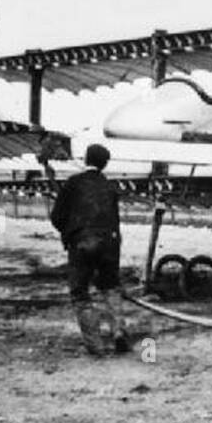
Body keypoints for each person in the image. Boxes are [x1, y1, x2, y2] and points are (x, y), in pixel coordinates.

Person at [50, 143, 128, 355]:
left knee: (80, 294)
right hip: (110, 242)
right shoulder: (110, 187)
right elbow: (114, 219)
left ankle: (95, 345)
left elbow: (56, 216)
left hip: (83, 242)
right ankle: (119, 331)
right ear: (105, 164)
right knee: (111, 287)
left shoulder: (73, 183)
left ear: (85, 159)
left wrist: (70, 233)